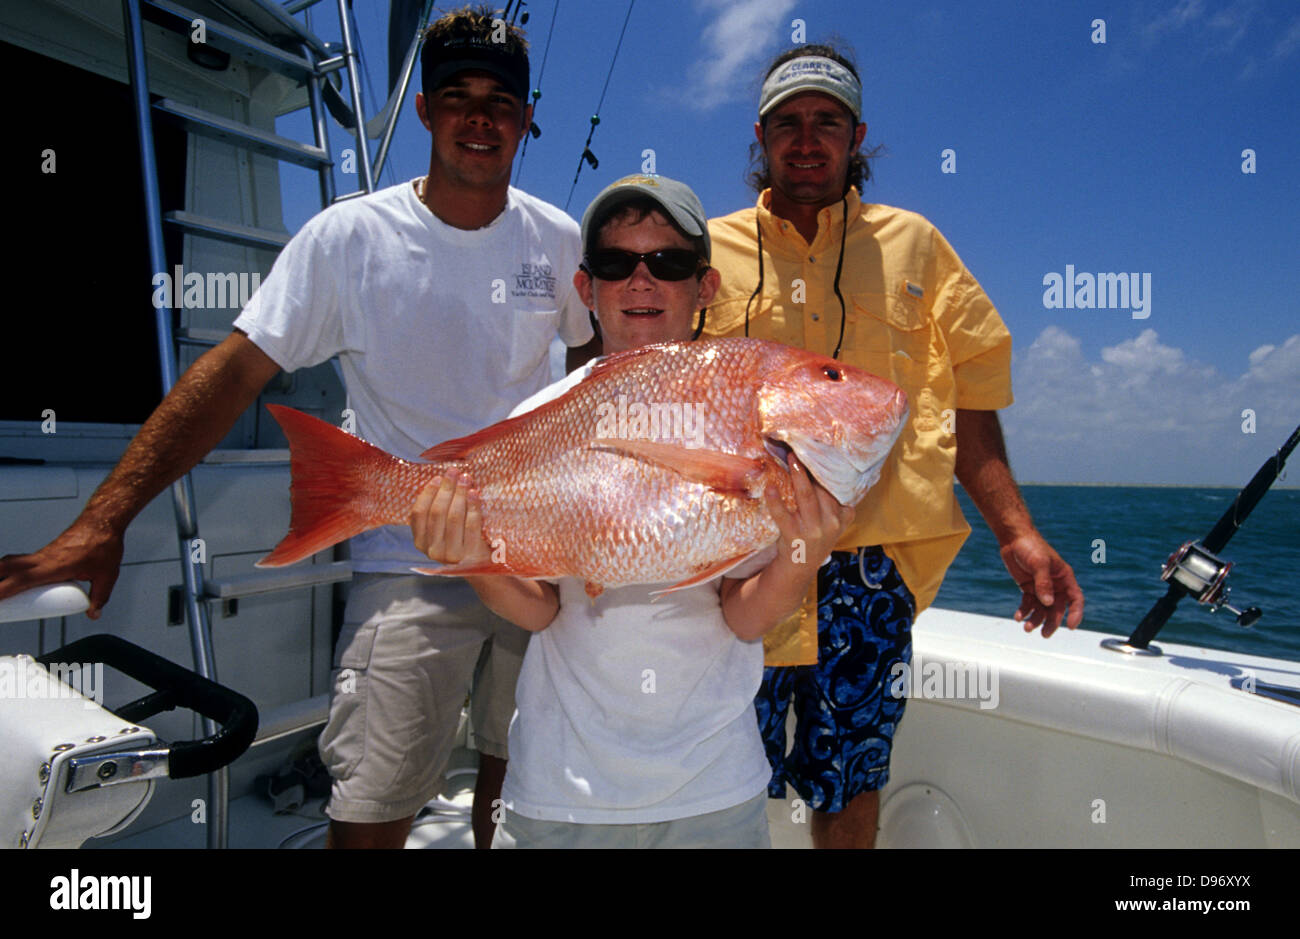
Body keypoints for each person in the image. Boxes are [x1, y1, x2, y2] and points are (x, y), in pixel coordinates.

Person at [0, 6, 595, 849]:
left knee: (522, 778)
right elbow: (232, 373)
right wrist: (103, 521)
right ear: (423, 111)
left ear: (527, 119)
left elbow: (599, 370)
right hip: (405, 561)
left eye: (500, 101)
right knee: (371, 804)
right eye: (456, 95)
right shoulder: (348, 237)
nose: (479, 117)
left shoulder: (559, 236)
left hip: (536, 567)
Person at [703, 43, 1086, 849]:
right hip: (741, 560)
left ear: (857, 135)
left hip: (872, 563)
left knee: (853, 779)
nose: (807, 141)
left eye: (827, 123)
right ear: (761, 137)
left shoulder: (917, 244)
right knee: (716, 770)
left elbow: (971, 398)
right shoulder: (706, 250)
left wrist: (1016, 532)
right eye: (789, 124)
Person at [410, 174, 855, 847]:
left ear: (704, 287)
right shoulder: (540, 417)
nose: (641, 283)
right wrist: (471, 557)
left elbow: (742, 613)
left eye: (668, 264)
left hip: (714, 785)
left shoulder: (741, 418)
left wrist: (804, 553)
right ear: (586, 290)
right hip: (563, 789)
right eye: (616, 264)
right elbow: (541, 608)